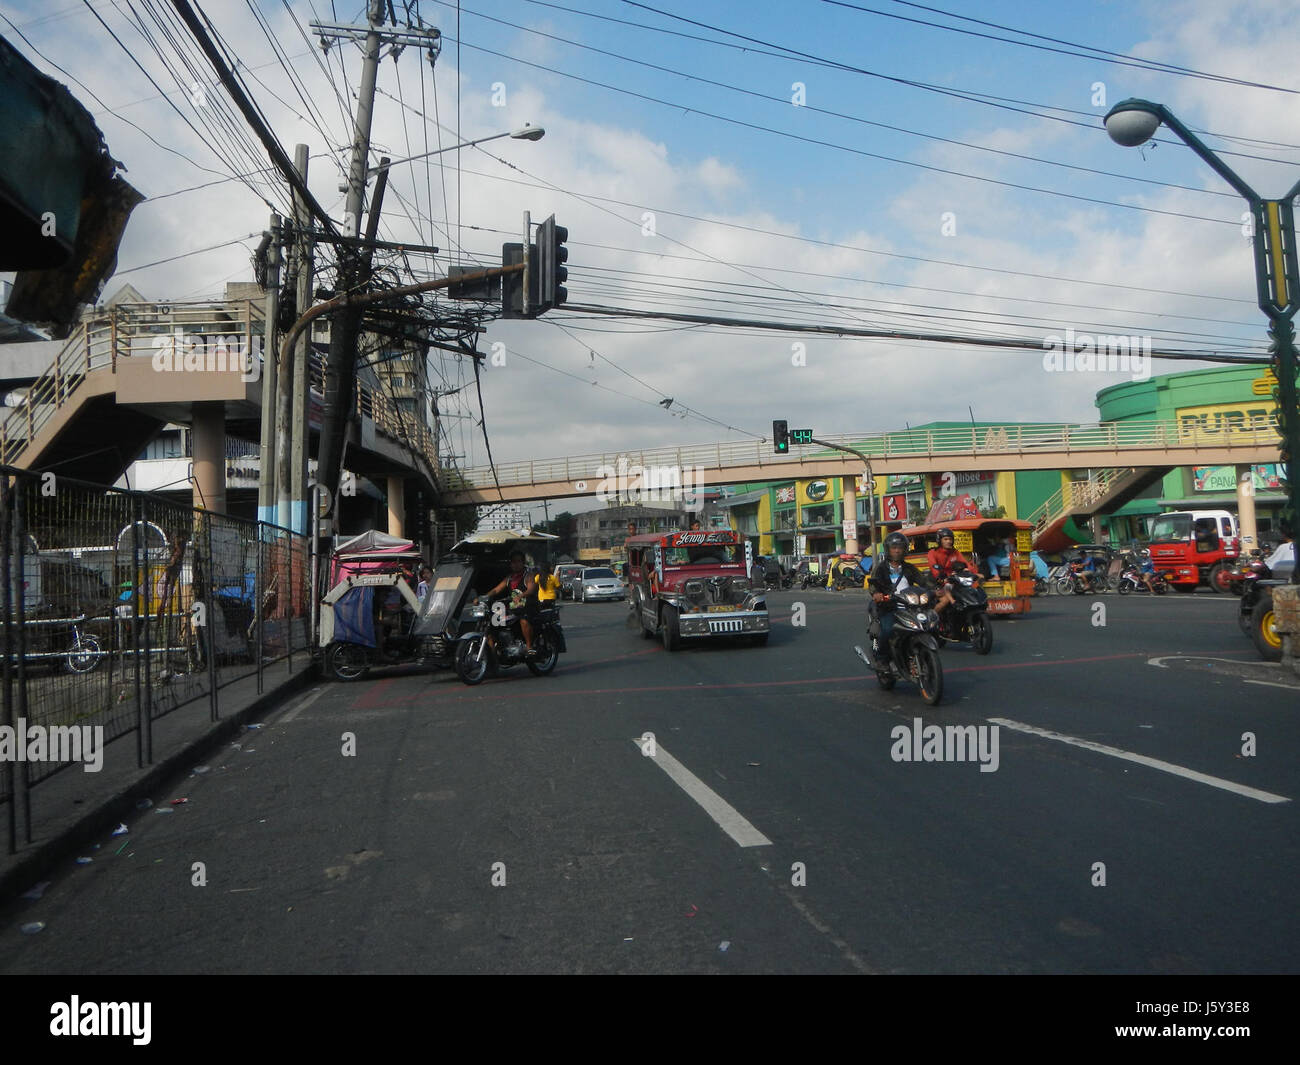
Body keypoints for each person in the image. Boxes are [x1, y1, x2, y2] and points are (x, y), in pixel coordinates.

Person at [868, 532, 925, 669]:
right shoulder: (880, 568)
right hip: (889, 607)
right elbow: (873, 585)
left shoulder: (909, 568)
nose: (897, 550)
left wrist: (935, 588)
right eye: (894, 547)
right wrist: (877, 594)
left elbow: (923, 581)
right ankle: (882, 659)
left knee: (926, 625)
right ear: (888, 549)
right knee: (887, 630)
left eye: (900, 547)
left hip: (910, 607)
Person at [484, 550, 537, 655]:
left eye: (518, 561)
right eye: (513, 562)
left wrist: (521, 596)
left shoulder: (528, 575)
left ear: (523, 562)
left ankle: (529, 646)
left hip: (528, 606)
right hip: (513, 608)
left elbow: (531, 589)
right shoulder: (509, 578)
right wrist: (483, 597)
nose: (516, 564)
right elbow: (496, 590)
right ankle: (494, 653)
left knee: (523, 620)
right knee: (493, 623)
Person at [927, 527, 973, 620]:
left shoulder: (955, 552)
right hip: (936, 583)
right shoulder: (933, 552)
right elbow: (933, 567)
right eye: (946, 539)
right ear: (940, 541)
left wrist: (972, 572)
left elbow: (966, 564)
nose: (949, 541)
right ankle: (929, 619)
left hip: (952, 581)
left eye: (950, 539)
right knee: (946, 600)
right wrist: (940, 577)